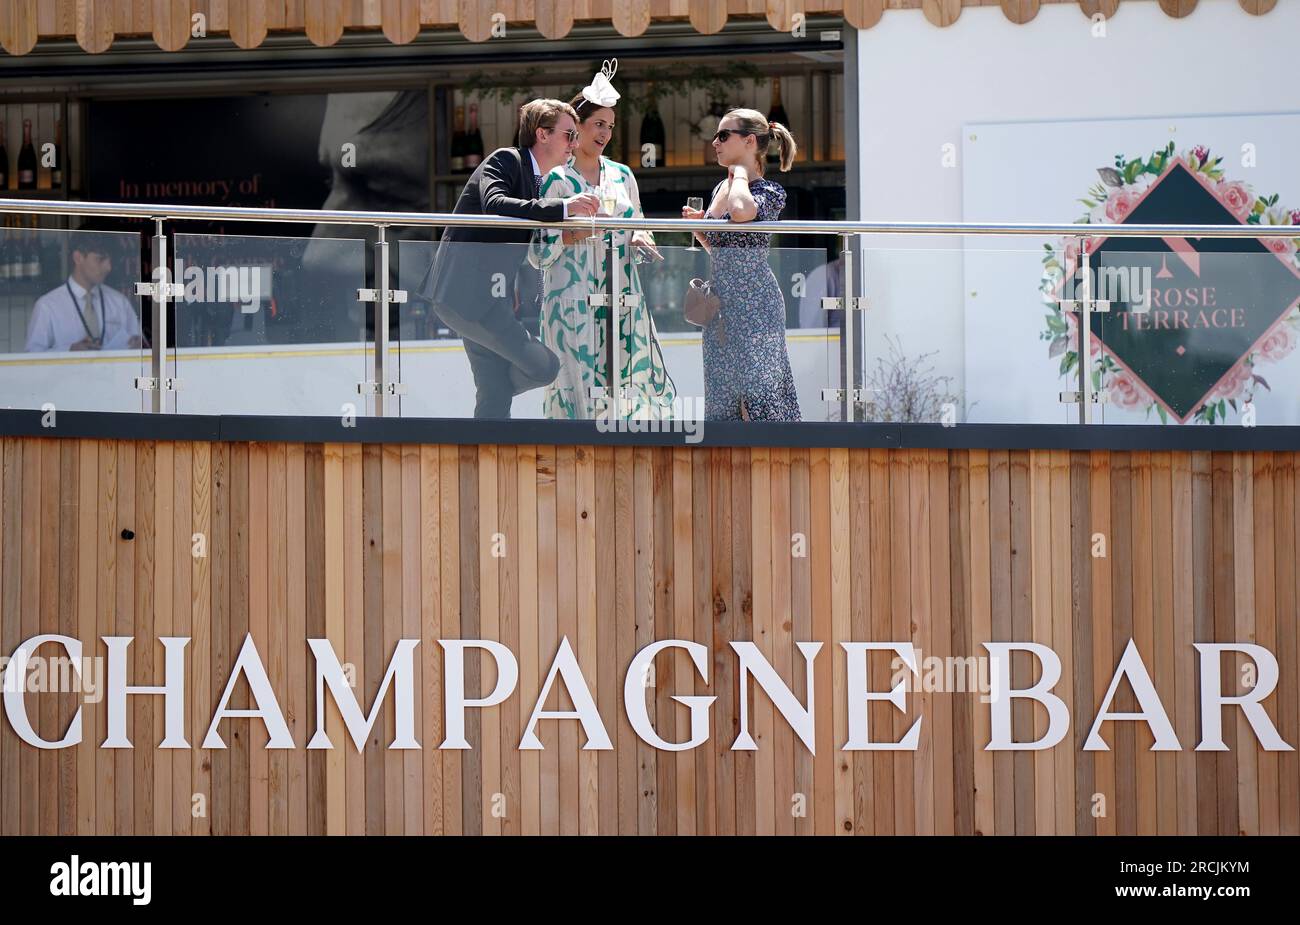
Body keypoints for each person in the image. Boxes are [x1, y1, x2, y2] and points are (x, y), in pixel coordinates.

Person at [415, 98, 600, 418]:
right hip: (466, 297)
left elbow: (515, 240)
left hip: (483, 301)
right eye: (569, 135)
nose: (575, 143)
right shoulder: (506, 160)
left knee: (493, 396)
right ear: (542, 135)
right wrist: (565, 208)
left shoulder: (535, 180)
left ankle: (482, 458)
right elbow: (496, 205)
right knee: (545, 367)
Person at [528, 60, 676, 420]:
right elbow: (537, 251)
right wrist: (578, 232)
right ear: (575, 127)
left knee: (624, 389)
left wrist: (642, 239)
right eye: (598, 124)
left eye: (609, 126)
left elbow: (639, 224)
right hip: (571, 302)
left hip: (622, 297)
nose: (605, 132)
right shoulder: (554, 179)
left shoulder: (623, 175)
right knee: (574, 392)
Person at [682, 108, 800, 421]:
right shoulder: (721, 189)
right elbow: (720, 249)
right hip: (720, 305)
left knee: (761, 398)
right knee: (722, 403)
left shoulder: (769, 192)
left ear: (749, 141)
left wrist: (743, 174)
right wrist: (701, 229)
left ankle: (773, 466)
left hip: (756, 304)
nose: (714, 143)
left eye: (723, 135)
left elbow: (741, 212)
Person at [26, 231, 143, 352]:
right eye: (100, 259)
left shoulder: (120, 302)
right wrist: (69, 351)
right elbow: (32, 356)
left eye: (110, 260)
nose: (108, 267)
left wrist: (139, 346)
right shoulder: (47, 306)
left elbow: (138, 344)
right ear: (78, 257)